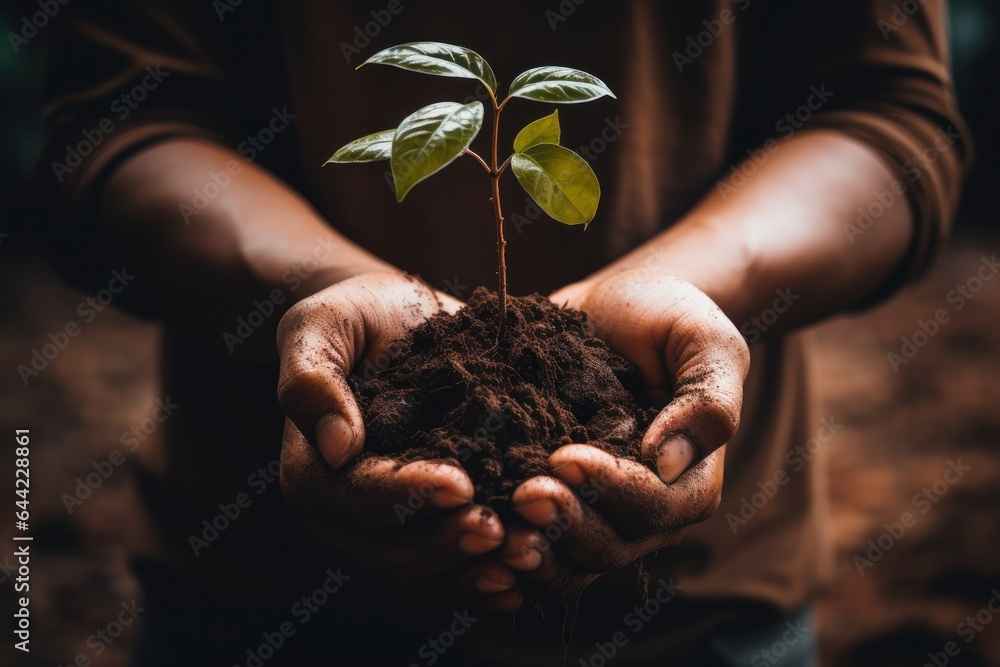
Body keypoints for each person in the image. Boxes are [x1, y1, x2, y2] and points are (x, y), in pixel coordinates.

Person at [35, 0, 969, 664]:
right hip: (253, 596)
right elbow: (113, 121)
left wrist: (684, 283)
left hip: (702, 613)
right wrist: (326, 286)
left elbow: (890, 112)